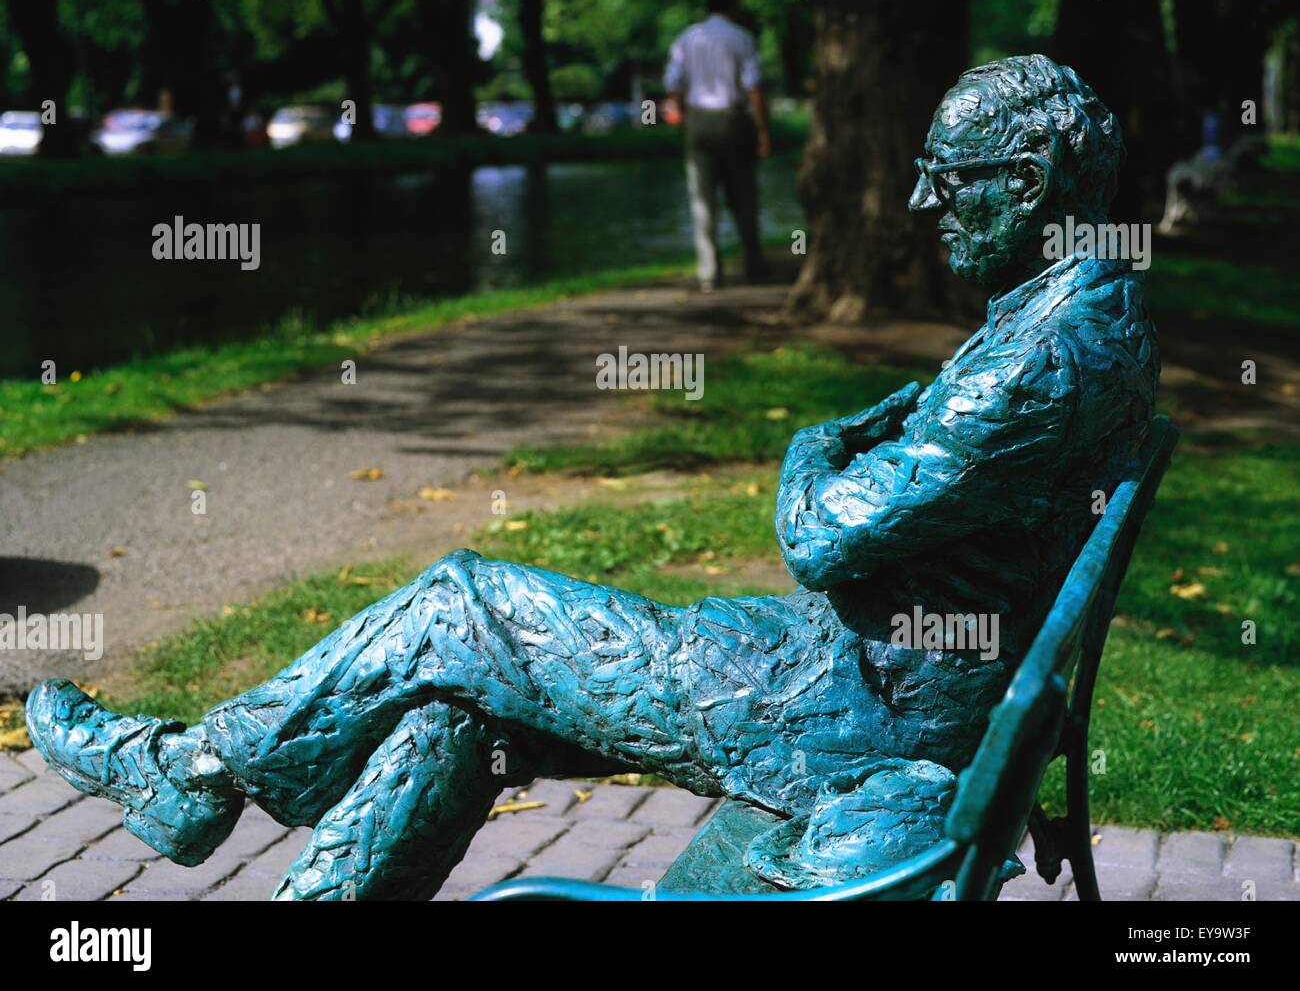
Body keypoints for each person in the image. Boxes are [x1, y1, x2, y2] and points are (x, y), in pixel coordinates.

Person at [27, 56, 1156, 899]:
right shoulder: (1086, 311)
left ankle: (192, 768)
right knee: (451, 705)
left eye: (946, 180)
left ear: (1027, 182)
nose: (922, 205)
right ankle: (210, 790)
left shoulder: (1046, 357)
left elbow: (818, 535)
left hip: (844, 717)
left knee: (459, 605)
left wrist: (811, 449)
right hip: (864, 682)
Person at [664, 0, 772, 290]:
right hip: (733, 120)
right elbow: (753, 88)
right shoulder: (742, 38)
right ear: (733, 2)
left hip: (699, 120)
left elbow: (674, 83)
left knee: (702, 199)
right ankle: (753, 263)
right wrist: (763, 131)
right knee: (744, 196)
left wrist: (680, 112)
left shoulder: (687, 38)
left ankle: (709, 271)